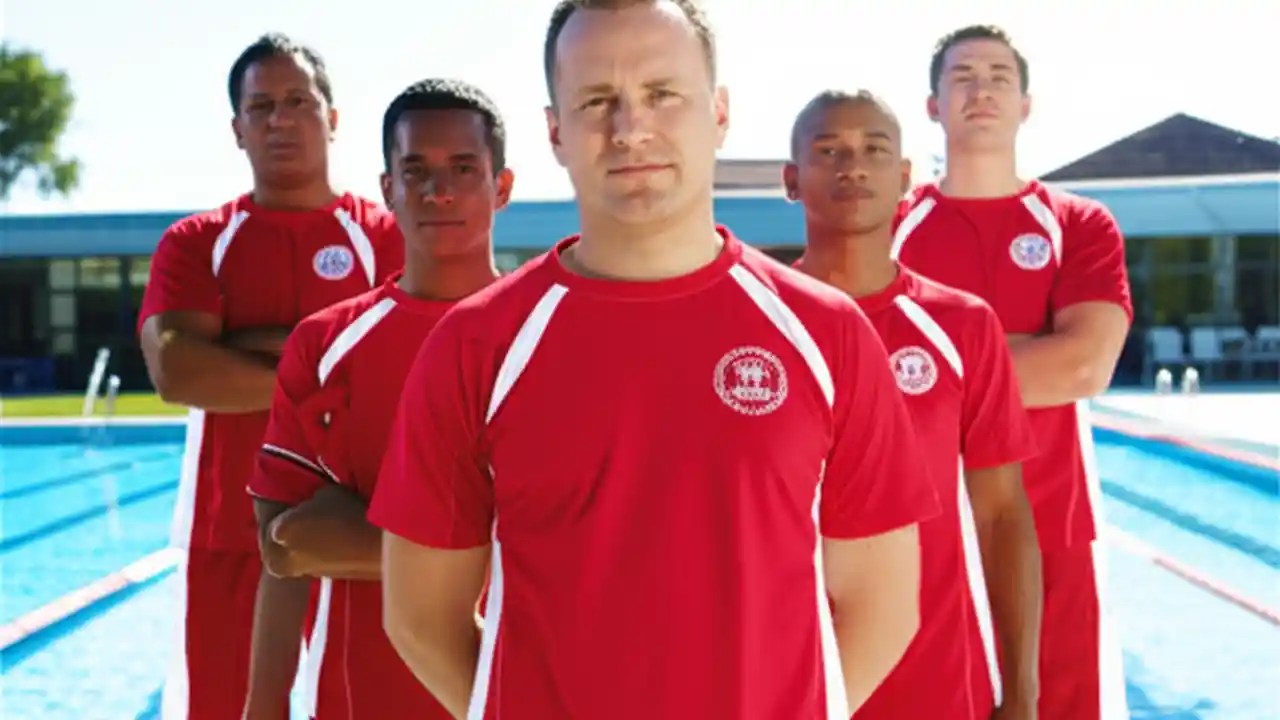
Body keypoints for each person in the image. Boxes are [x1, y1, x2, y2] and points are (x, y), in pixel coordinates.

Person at [369, 2, 938, 719]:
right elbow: (421, 617)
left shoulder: (827, 336)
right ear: (555, 131)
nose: (629, 128)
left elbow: (881, 605)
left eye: (662, 94)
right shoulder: (476, 344)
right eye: (596, 101)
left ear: (718, 113)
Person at [136, 33, 402, 720]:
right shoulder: (197, 243)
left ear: (332, 118)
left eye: (298, 101)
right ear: (237, 128)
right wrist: (329, 361)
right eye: (261, 107)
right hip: (228, 535)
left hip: (357, 532)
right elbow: (179, 370)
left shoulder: (388, 238)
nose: (280, 119)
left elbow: (407, 366)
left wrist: (245, 347)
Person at [239, 78, 512, 720]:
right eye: (415, 171)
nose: (438, 191)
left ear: (501, 186)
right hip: (355, 700)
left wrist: (356, 533)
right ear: (387, 188)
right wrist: (263, 706)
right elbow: (284, 548)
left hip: (514, 692)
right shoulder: (327, 343)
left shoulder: (549, 334)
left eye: (463, 169)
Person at [891, 25, 1134, 720]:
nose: (982, 90)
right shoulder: (891, 226)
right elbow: (865, 369)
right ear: (933, 105)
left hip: (1054, 522)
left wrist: (927, 365)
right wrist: (1029, 345)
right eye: (962, 76)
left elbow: (1083, 365)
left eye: (999, 76)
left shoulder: (1078, 223)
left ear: (1025, 105)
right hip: (925, 532)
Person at [787, 89, 1043, 720]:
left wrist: (1023, 693)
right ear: (792, 180)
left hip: (938, 685)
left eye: (874, 150)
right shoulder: (757, 325)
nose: (853, 166)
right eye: (829, 151)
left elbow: (1002, 514)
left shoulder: (962, 327)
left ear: (904, 177)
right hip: (790, 679)